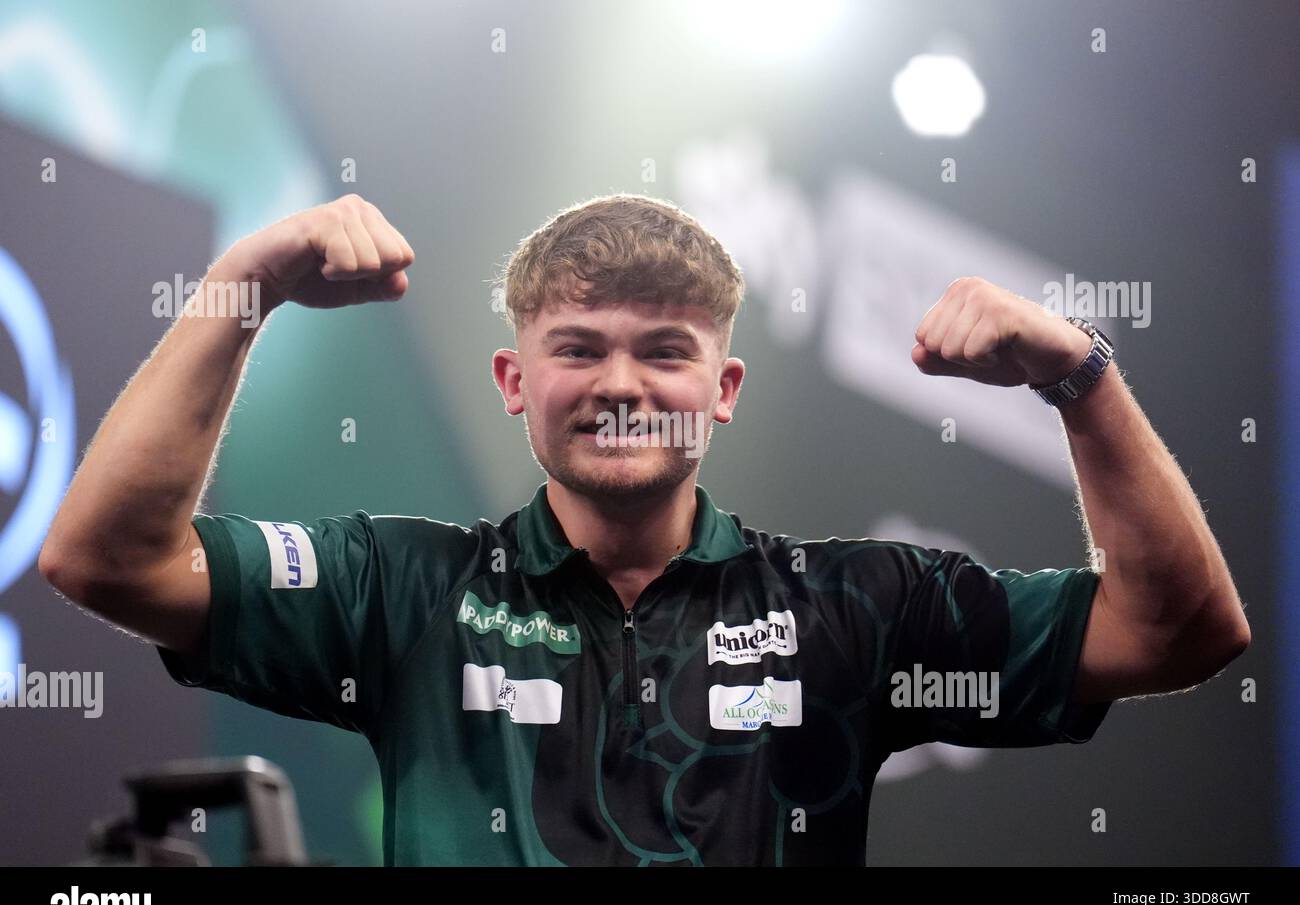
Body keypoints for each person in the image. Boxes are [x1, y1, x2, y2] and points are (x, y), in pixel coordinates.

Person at [38, 193, 1251, 865]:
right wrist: (245, 280)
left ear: (721, 392)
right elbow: (107, 556)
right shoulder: (399, 588)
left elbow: (1178, 631)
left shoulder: (859, 609)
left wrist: (1080, 377)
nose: (622, 382)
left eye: (666, 350)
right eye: (579, 347)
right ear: (516, 382)